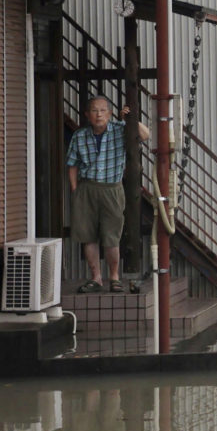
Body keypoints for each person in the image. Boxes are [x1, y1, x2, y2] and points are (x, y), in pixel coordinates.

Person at [66, 96, 150, 293]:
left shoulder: (120, 129)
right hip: (87, 188)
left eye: (103, 110)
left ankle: (114, 277)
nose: (99, 115)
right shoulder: (80, 136)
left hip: (112, 188)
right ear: (87, 115)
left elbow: (145, 135)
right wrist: (75, 190)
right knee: (88, 236)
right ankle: (95, 278)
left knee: (112, 236)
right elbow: (72, 165)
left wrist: (130, 119)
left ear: (110, 114)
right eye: (94, 111)